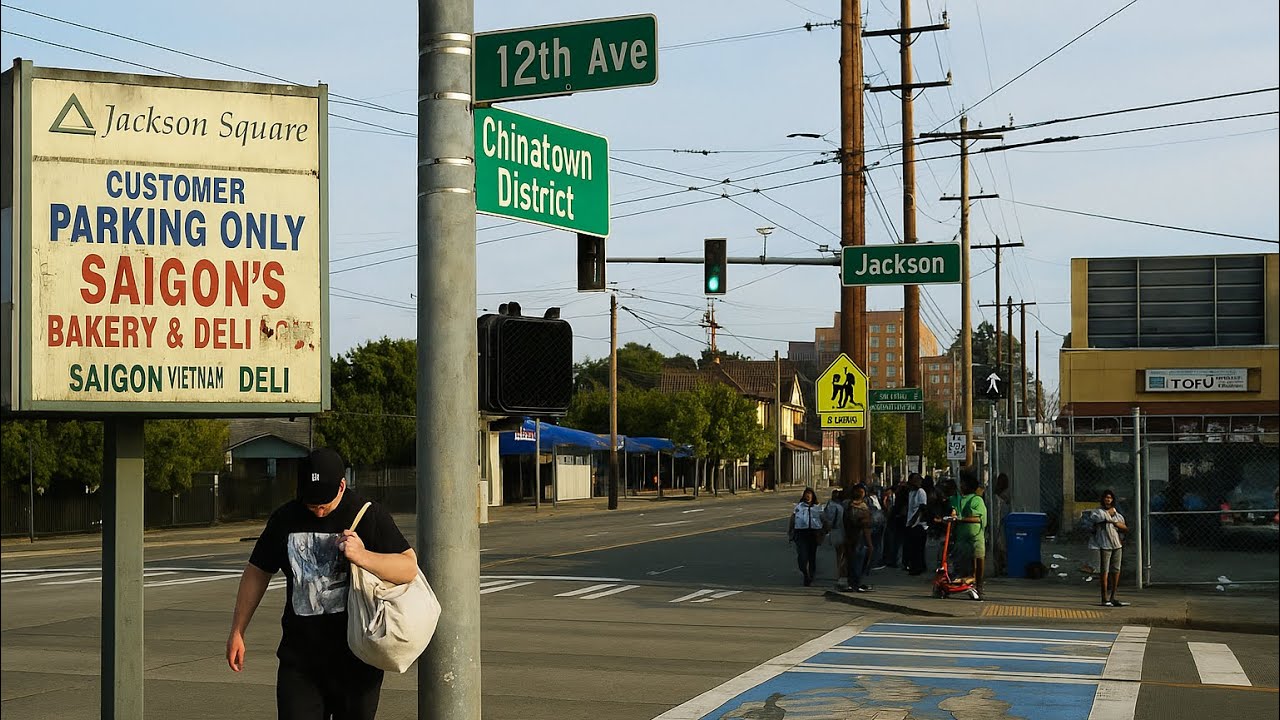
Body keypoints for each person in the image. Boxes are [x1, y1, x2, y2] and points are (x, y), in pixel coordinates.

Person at [226, 448, 418, 720]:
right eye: (310, 502)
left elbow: (408, 567)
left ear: (342, 485)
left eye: (323, 503)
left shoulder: (368, 515)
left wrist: (362, 556)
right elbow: (257, 571)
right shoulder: (285, 519)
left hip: (357, 663)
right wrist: (238, 630)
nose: (317, 509)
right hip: (300, 663)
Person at [1086, 489, 1129, 607]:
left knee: (1116, 570)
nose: (1108, 500)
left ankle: (1113, 597)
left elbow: (1124, 527)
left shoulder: (1118, 514)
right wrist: (1109, 518)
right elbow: (1097, 519)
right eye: (1106, 498)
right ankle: (1104, 598)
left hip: (1117, 545)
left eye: (1110, 498)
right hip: (1104, 545)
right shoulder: (1098, 512)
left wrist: (1114, 522)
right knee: (1104, 571)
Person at [951, 470, 989, 600]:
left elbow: (977, 518)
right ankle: (967, 583)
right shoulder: (959, 499)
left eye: (963, 483)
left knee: (978, 561)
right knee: (963, 562)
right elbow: (954, 511)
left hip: (975, 538)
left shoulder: (976, 500)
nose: (961, 486)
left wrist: (960, 519)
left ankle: (979, 587)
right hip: (962, 538)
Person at [841, 485, 874, 592]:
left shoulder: (865, 505)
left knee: (861, 560)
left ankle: (857, 582)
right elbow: (847, 521)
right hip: (852, 536)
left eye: (862, 491)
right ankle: (853, 583)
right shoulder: (848, 505)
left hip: (862, 536)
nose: (860, 493)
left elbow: (868, 524)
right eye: (858, 491)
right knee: (852, 561)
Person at [788, 487, 824, 586]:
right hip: (801, 533)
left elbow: (824, 520)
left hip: (813, 533)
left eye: (810, 494)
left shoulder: (818, 507)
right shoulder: (799, 506)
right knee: (802, 556)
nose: (808, 496)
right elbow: (793, 518)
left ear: (813, 496)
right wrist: (790, 531)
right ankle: (805, 573)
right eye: (806, 494)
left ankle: (810, 576)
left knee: (812, 556)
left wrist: (823, 534)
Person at [903, 473, 930, 575]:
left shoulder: (921, 492)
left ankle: (918, 567)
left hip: (918, 524)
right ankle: (914, 566)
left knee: (917, 548)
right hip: (910, 522)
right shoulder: (911, 492)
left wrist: (914, 521)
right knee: (912, 547)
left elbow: (921, 508)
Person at [821, 489, 848, 589]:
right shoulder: (841, 505)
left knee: (840, 553)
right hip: (840, 531)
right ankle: (840, 573)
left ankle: (840, 572)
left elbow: (826, 518)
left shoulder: (835, 505)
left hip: (838, 530)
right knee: (841, 553)